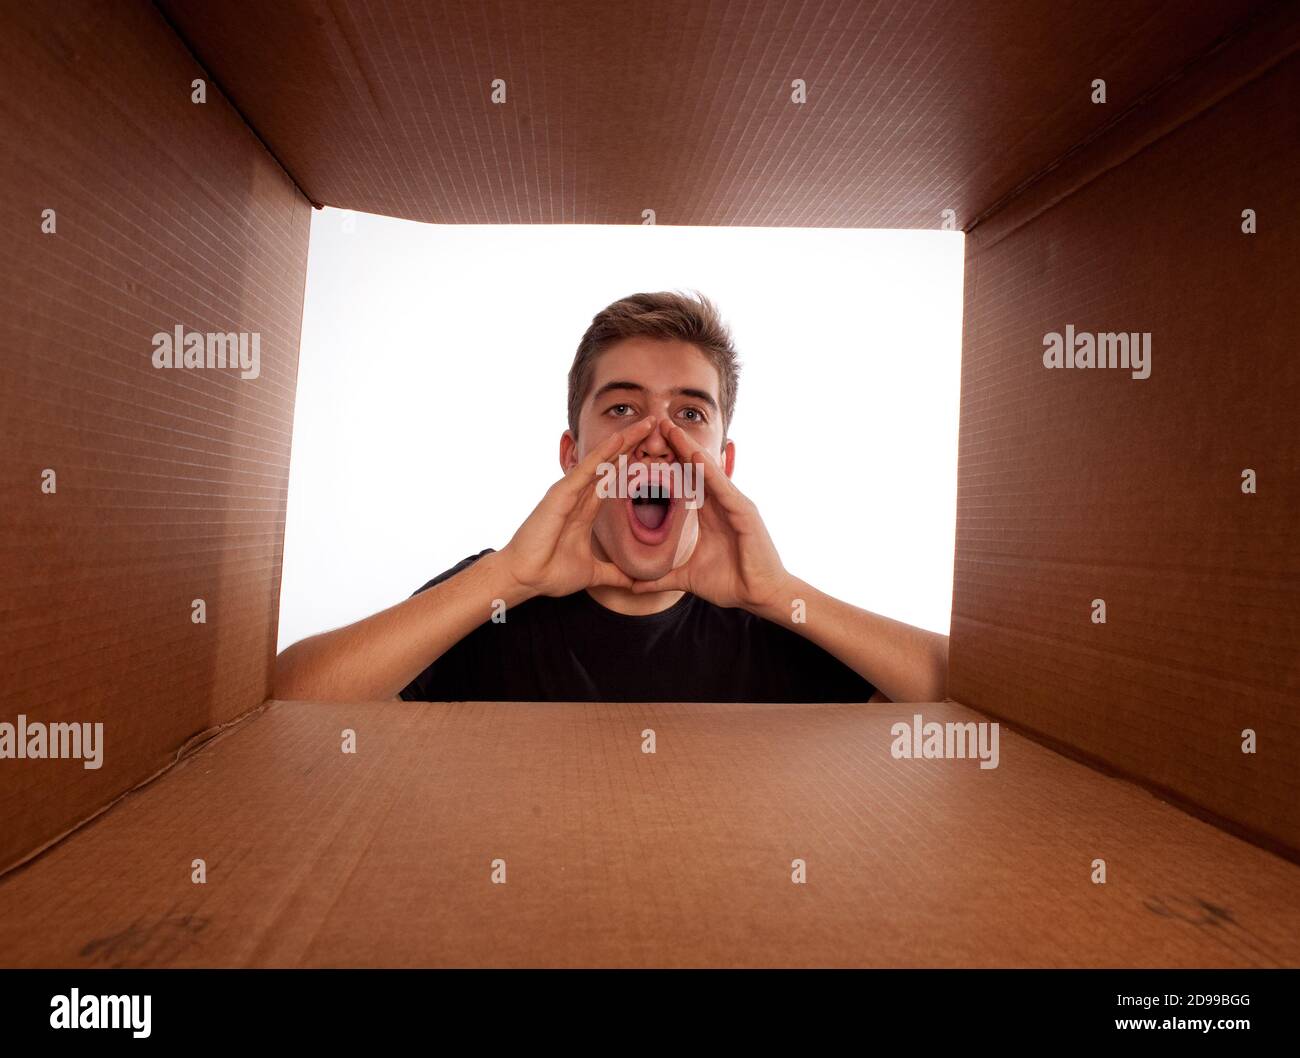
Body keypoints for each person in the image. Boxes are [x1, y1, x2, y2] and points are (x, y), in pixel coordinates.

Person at [273, 290, 948, 704]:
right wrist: (508, 575)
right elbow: (287, 704)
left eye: (689, 415)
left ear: (723, 464)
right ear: (572, 455)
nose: (655, 441)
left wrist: (780, 597)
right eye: (623, 409)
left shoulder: (767, 620)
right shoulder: (495, 599)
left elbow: (982, 704)